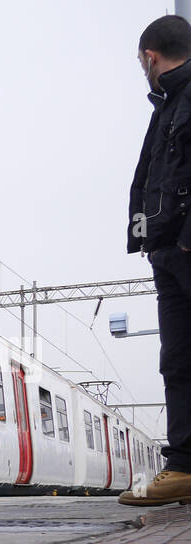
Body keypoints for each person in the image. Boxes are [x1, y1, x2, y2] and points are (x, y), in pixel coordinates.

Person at [123, 14, 191, 505]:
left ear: (150, 56)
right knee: (178, 360)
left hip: (183, 244)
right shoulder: (166, 105)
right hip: (165, 249)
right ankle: (185, 468)